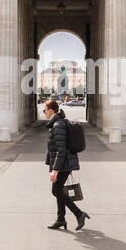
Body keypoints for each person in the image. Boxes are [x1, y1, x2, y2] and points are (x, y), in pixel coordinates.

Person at [44, 98, 88, 231]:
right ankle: (61, 219)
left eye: (44, 110)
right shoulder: (58, 123)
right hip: (64, 163)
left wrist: (55, 171)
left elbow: (61, 150)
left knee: (56, 191)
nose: (44, 112)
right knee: (59, 191)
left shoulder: (58, 125)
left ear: (51, 111)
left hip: (62, 164)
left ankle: (79, 214)